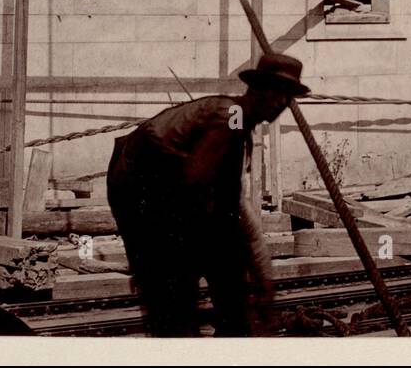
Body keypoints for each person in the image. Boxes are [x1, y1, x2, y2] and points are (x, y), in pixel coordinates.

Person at [106, 52, 311, 336]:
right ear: (257, 89)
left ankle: (228, 326)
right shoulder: (230, 117)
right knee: (173, 286)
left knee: (222, 260)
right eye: (276, 91)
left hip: (166, 189)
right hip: (138, 183)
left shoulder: (240, 124)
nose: (281, 102)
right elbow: (196, 184)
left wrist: (258, 277)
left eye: (287, 96)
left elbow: (229, 200)